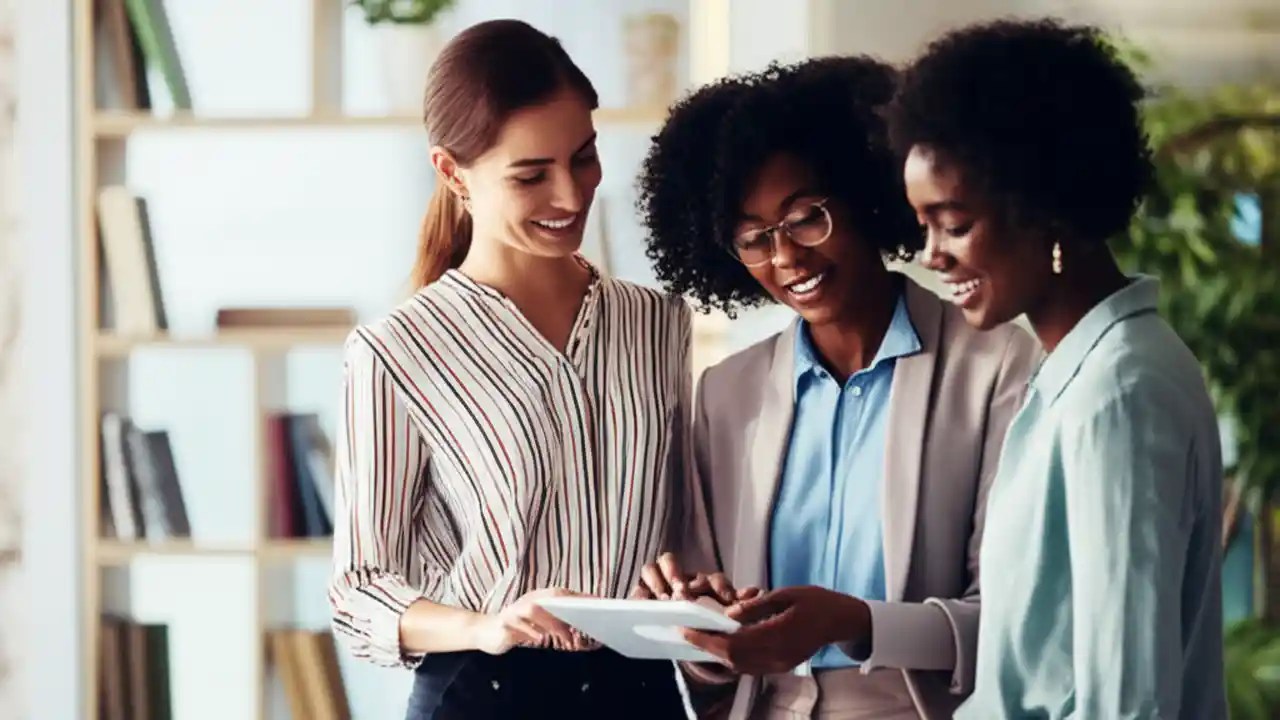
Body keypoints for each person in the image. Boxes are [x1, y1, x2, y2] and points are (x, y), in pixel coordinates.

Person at [632, 57, 1039, 719]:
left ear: (868, 195)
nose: (787, 257)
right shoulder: (726, 396)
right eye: (755, 239)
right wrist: (701, 632)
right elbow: (709, 667)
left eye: (806, 217)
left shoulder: (996, 369)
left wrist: (854, 622)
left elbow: (1018, 617)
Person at [328, 19, 692, 719]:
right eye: (530, 175)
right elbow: (359, 591)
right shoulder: (396, 350)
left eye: (583, 157)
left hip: (640, 692)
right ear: (450, 171)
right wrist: (486, 626)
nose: (570, 195)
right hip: (483, 695)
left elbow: (679, 528)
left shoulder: (656, 323)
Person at [889, 18, 1226, 719]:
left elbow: (1127, 701)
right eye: (922, 226)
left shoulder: (1118, 392)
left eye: (952, 223)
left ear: (1044, 205)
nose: (930, 255)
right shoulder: (1082, 372)